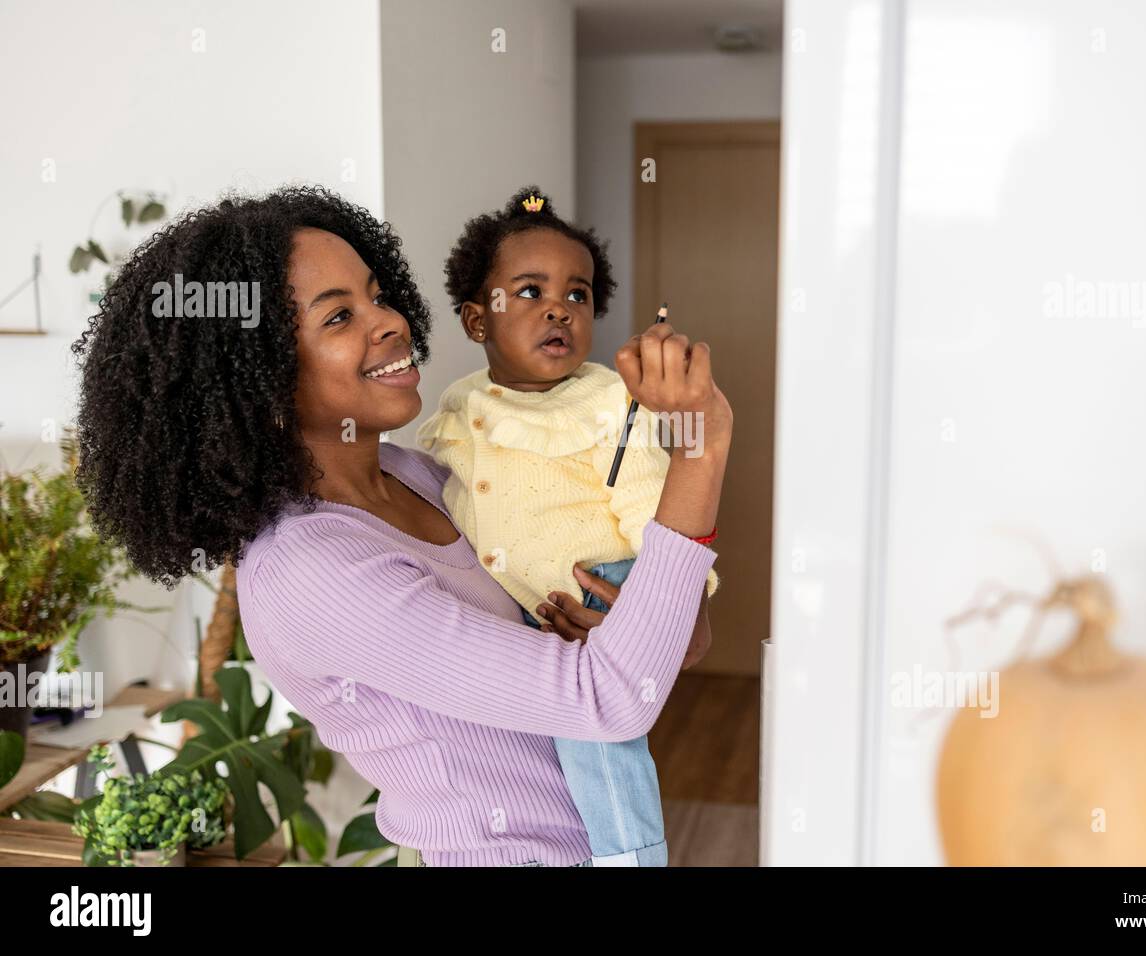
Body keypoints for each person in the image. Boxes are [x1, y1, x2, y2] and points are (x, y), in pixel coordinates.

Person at [70, 186, 732, 866]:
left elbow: (633, 648)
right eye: (338, 318)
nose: (387, 322)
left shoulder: (421, 475)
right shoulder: (312, 570)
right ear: (259, 374)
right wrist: (701, 447)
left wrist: (662, 625)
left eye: (378, 294)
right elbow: (609, 699)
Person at [415, 185, 720, 866]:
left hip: (599, 593)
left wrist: (676, 608)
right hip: (513, 607)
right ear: (476, 321)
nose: (559, 307)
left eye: (578, 295)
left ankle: (630, 854)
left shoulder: (613, 402)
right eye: (529, 291)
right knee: (518, 754)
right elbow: (441, 491)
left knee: (598, 742)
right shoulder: (457, 405)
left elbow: (656, 513)